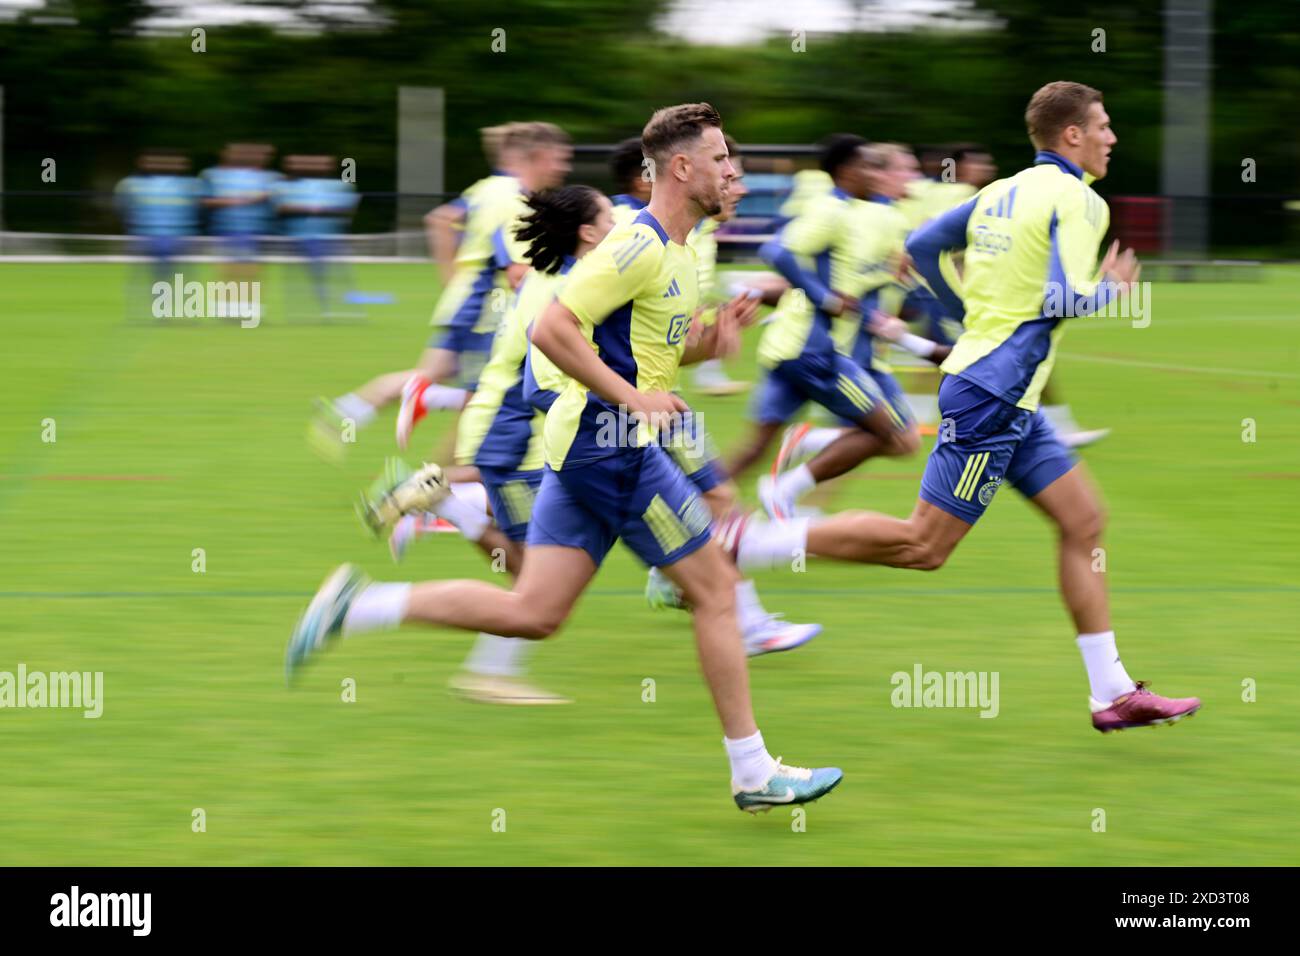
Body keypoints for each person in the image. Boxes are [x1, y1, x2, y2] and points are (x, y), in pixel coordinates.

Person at [287, 103, 843, 811]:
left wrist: (712, 337)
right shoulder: (637, 245)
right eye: (721, 157)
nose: (733, 169)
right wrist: (633, 400)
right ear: (681, 167)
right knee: (714, 592)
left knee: (534, 611)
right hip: (611, 448)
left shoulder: (676, 252)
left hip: (589, 450)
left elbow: (651, 349)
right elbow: (554, 328)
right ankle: (754, 772)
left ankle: (358, 607)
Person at [722, 82, 1200, 734]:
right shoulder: (1080, 201)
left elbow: (919, 251)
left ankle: (1112, 691)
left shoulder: (999, 191)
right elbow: (1062, 297)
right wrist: (1110, 292)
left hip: (1002, 390)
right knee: (923, 544)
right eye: (1104, 126)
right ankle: (748, 541)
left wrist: (964, 313)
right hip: (995, 396)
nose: (1112, 137)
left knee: (1084, 520)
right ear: (1071, 136)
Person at [724, 134, 919, 519]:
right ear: (847, 171)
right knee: (893, 433)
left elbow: (847, 284)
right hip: (815, 353)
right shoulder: (832, 211)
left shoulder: (853, 214)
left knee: (755, 448)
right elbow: (776, 251)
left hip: (789, 348)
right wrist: (826, 298)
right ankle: (783, 492)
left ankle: (688, 513)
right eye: (868, 167)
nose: (875, 175)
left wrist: (884, 281)